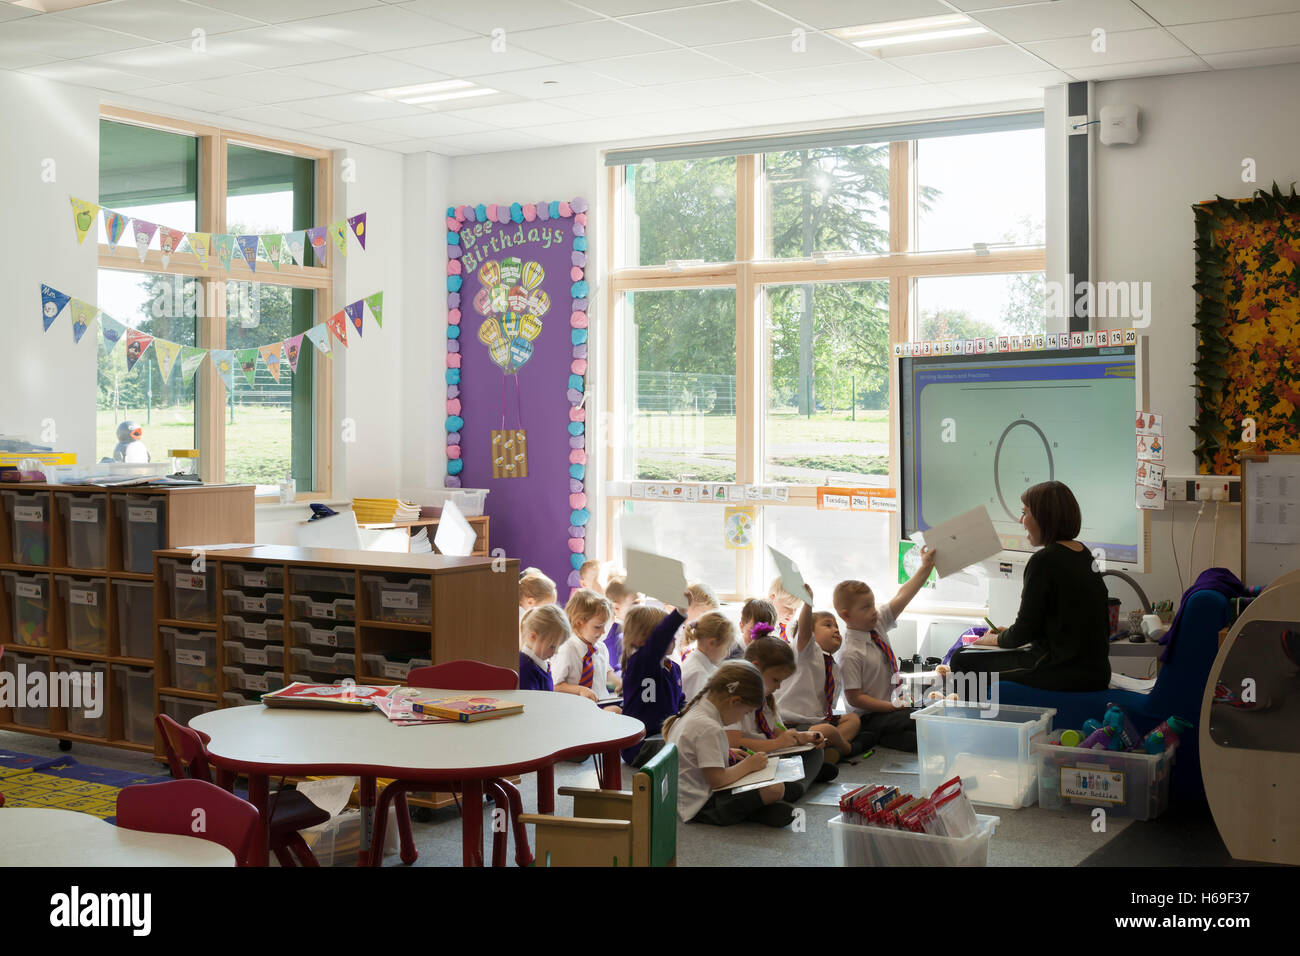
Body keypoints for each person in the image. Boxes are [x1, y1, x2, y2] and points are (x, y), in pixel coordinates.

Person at [950, 481, 1111, 692]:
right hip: (1096, 672)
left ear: (1044, 517)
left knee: (962, 660)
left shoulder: (1044, 560)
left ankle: (977, 721)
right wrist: (1007, 634)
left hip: (1062, 670)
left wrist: (993, 639)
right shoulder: (1082, 553)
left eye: (1025, 513)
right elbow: (1060, 624)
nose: (1021, 520)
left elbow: (1022, 633)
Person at [663, 661, 801, 827]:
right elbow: (718, 780)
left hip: (689, 798)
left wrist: (727, 751)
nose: (742, 718)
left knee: (783, 788)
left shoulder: (697, 713)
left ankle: (761, 808)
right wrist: (749, 765)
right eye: (746, 712)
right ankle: (758, 810)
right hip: (702, 806)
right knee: (775, 789)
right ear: (734, 701)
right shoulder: (708, 727)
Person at [834, 546, 936, 753]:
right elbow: (855, 698)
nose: (873, 611)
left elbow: (902, 596)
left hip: (892, 707)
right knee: (920, 728)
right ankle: (873, 736)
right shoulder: (850, 652)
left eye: (873, 604)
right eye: (865, 608)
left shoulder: (876, 624)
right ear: (846, 615)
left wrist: (925, 567)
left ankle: (883, 737)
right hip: (870, 715)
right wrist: (892, 706)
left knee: (930, 717)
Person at [727, 636, 839, 788]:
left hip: (772, 754)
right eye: (775, 680)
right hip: (750, 760)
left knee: (815, 752)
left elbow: (779, 732)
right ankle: (797, 783)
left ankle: (796, 778)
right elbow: (735, 743)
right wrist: (776, 743)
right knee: (771, 780)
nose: (778, 687)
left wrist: (803, 738)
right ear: (756, 668)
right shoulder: (736, 699)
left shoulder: (767, 700)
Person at [776, 590, 861, 758]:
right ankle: (843, 748)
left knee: (852, 719)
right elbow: (804, 632)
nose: (836, 630)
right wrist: (808, 602)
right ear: (811, 634)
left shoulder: (833, 665)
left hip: (815, 722)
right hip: (791, 724)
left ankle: (824, 749)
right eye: (828, 625)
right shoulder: (806, 653)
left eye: (836, 626)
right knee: (826, 730)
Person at [619, 603, 686, 766]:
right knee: (684, 748)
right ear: (642, 640)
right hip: (640, 744)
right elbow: (658, 641)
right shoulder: (641, 663)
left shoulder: (673, 668)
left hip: (662, 737)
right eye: (669, 634)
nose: (674, 637)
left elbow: (680, 702)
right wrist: (678, 614)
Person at [553, 589, 621, 709]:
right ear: (579, 623)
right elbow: (555, 686)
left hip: (601, 703)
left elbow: (607, 672)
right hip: (574, 708)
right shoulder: (567, 649)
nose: (603, 631)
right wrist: (580, 690)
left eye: (604, 626)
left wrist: (621, 683)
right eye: (598, 627)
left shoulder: (601, 647)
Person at [680, 611, 736, 700]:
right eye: (727, 647)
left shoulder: (702, 663)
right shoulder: (698, 673)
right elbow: (693, 709)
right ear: (712, 643)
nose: (728, 653)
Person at [518, 605, 570, 692]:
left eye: (558, 646)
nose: (556, 652)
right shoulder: (525, 669)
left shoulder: (540, 664)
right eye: (552, 647)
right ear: (533, 637)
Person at [602, 577, 639, 676]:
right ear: (616, 607)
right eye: (635, 603)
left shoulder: (634, 633)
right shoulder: (616, 640)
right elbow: (614, 677)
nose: (641, 608)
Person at [768, 577, 803, 642]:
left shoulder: (793, 627)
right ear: (772, 598)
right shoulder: (763, 625)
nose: (791, 613)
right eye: (788, 607)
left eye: (795, 608)